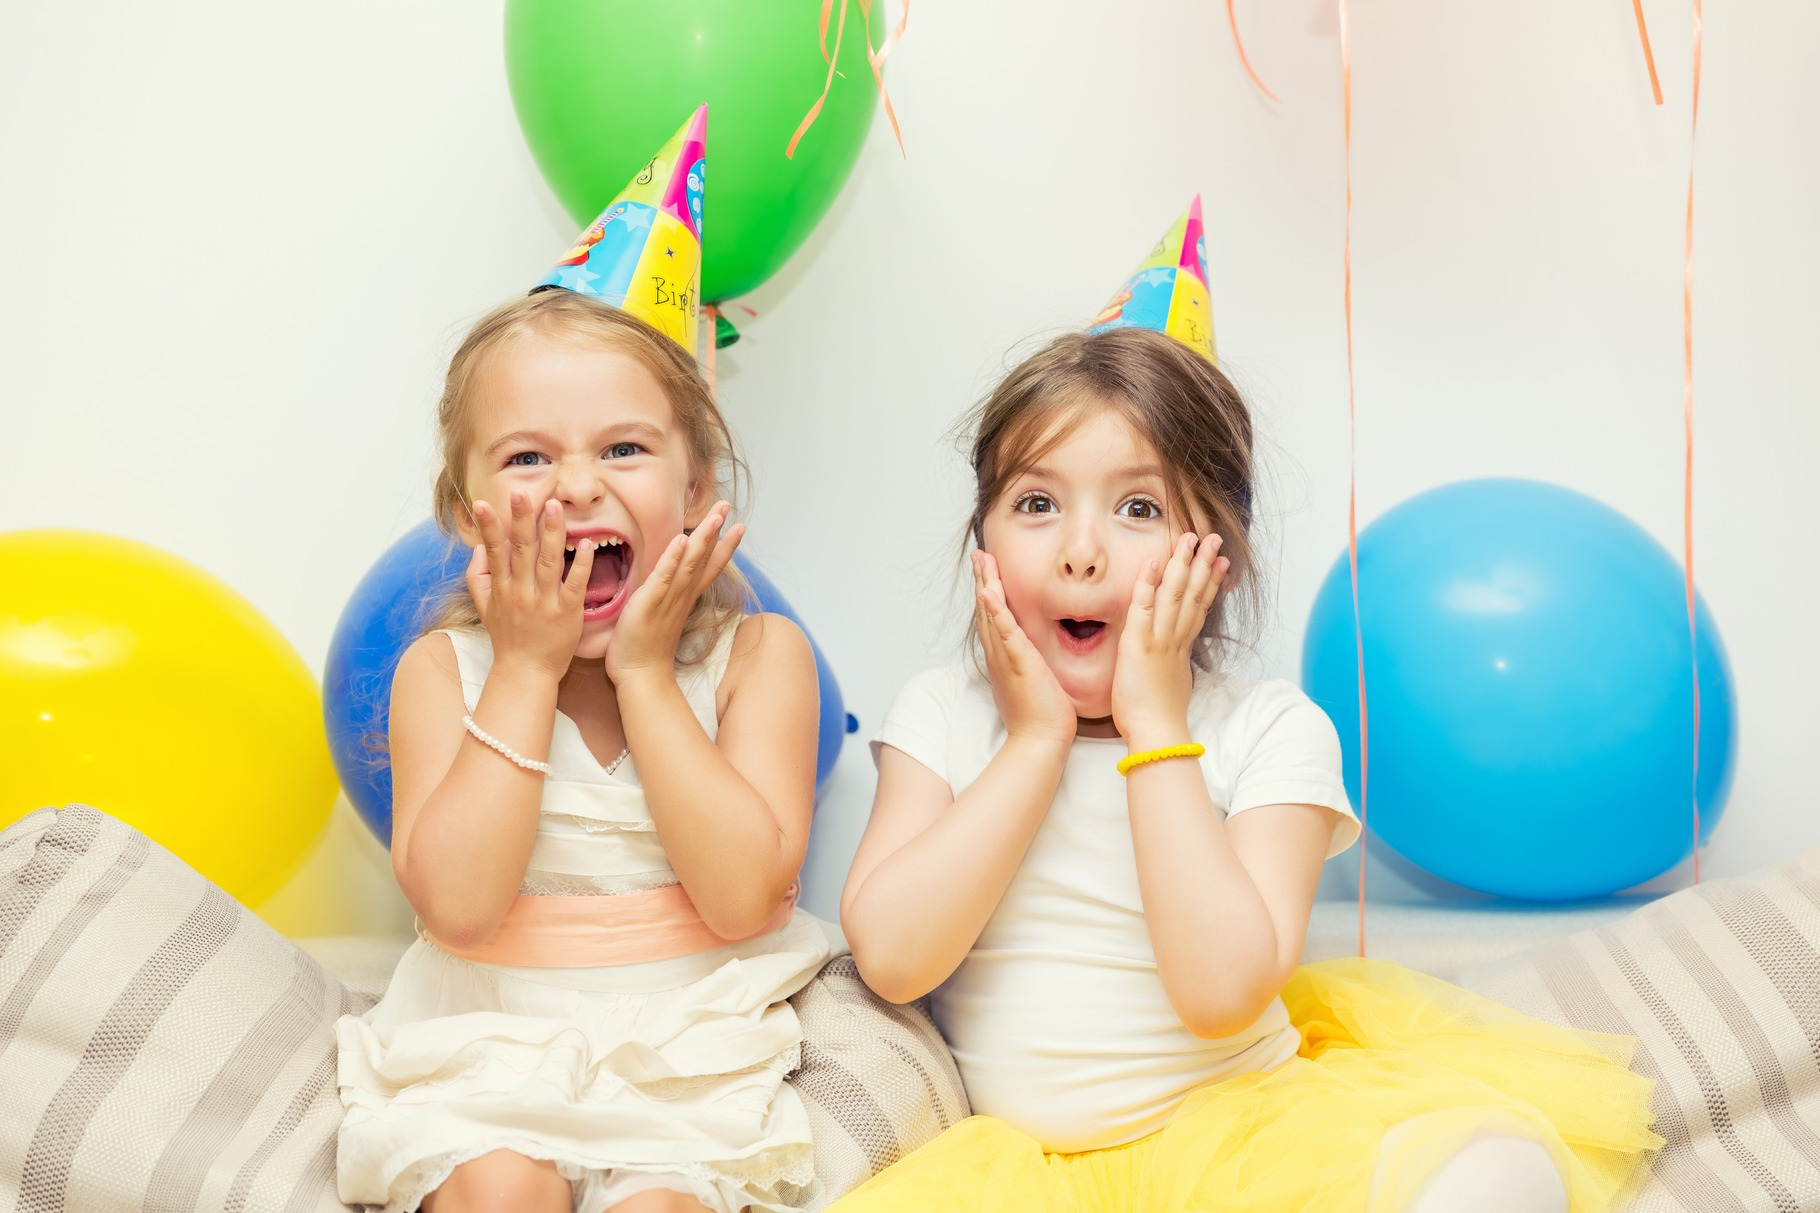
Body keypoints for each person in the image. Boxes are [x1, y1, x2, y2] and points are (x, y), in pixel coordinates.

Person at [830, 201, 1661, 1212]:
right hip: (1024, 1176)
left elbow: (1220, 990)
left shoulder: (1266, 730)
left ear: (1214, 560)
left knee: (1495, 1171)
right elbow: (892, 954)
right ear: (984, 542)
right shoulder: (943, 715)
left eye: (1137, 508)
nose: (1079, 549)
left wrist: (1153, 731)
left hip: (1247, 1138)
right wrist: (1036, 742)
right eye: (1035, 503)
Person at [337, 110, 834, 1213]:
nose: (574, 486)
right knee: (500, 1192)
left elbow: (746, 895)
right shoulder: (440, 675)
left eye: (622, 448)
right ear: (466, 518)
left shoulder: (761, 661)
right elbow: (460, 907)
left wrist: (650, 678)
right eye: (527, 457)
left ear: (697, 492)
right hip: (485, 1041)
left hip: (686, 1052)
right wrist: (521, 670)